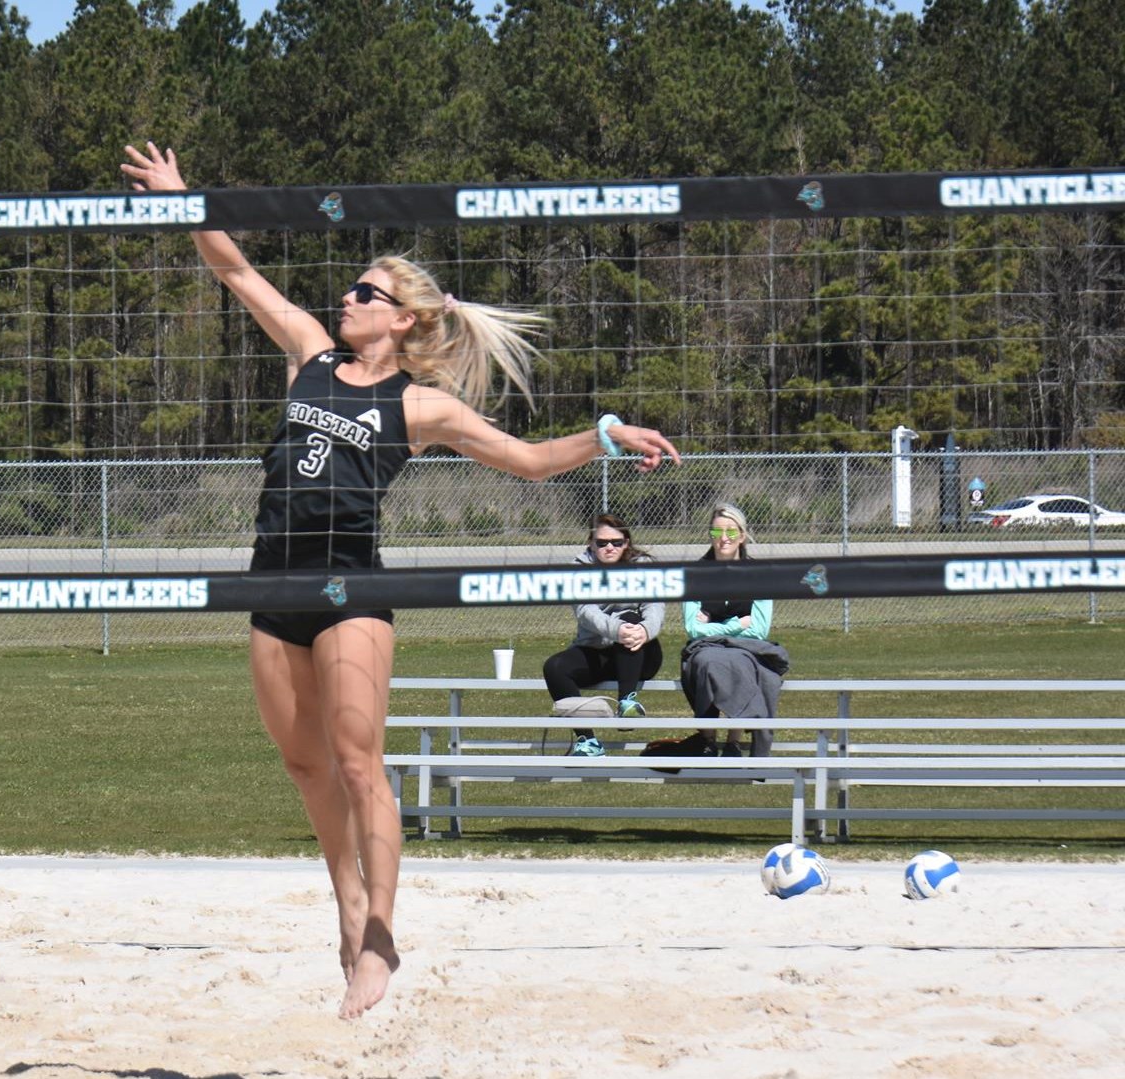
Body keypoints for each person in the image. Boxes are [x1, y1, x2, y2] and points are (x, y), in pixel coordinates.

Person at [120, 141, 680, 1019]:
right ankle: (346, 908)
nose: (344, 298)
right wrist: (180, 200)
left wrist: (605, 435)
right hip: (271, 588)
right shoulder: (309, 353)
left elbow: (528, 461)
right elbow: (234, 268)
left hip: (350, 591)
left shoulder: (418, 406)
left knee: (356, 762)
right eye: (350, 289)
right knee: (304, 766)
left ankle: (381, 931)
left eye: (364, 292)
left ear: (405, 321)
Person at [655, 502, 785, 758]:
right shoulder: (694, 574)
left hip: (747, 650)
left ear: (743, 536)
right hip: (706, 649)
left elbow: (760, 629)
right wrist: (738, 623)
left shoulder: (760, 574)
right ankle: (708, 739)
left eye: (731, 532)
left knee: (739, 663)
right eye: (716, 533)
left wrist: (713, 625)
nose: (723, 539)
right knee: (707, 662)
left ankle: (733, 742)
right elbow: (692, 628)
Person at [540, 515, 664, 757]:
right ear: (591, 543)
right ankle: (587, 741)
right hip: (597, 651)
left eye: (616, 542)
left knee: (630, 620)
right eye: (602, 542)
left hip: (639, 652)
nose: (609, 547)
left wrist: (645, 630)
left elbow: (655, 607)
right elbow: (586, 611)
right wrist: (615, 630)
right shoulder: (580, 568)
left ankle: (627, 701)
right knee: (554, 667)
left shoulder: (643, 565)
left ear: (626, 542)